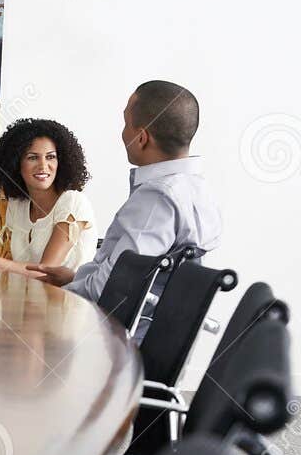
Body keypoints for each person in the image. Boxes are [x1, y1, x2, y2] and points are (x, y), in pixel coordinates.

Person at [38, 80, 221, 302]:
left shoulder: (158, 198)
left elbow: (111, 290)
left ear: (142, 138)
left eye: (126, 123)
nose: (123, 133)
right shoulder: (195, 188)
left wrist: (51, 296)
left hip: (111, 331)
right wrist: (75, 279)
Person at [0, 118, 96, 271]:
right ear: (16, 164)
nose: (43, 166)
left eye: (50, 157)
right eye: (32, 157)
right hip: (28, 293)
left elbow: (46, 272)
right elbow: (18, 268)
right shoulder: (19, 205)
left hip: (68, 295)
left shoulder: (73, 202)